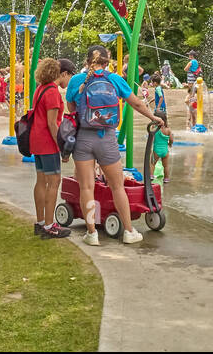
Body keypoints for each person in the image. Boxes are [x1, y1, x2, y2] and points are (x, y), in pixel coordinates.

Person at [66, 44, 168, 246]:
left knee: (87, 187)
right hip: (108, 140)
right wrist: (153, 117)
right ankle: (129, 231)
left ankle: (92, 233)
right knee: (117, 186)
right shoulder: (115, 80)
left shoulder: (77, 81)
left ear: (87, 61)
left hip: (84, 139)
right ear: (108, 62)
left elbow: (71, 108)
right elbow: (137, 103)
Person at [30, 57, 70, 237]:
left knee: (41, 181)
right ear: (61, 73)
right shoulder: (53, 92)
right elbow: (52, 124)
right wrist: (61, 146)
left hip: (36, 140)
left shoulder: (40, 89)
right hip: (48, 143)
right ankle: (49, 226)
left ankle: (39, 222)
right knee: (54, 182)